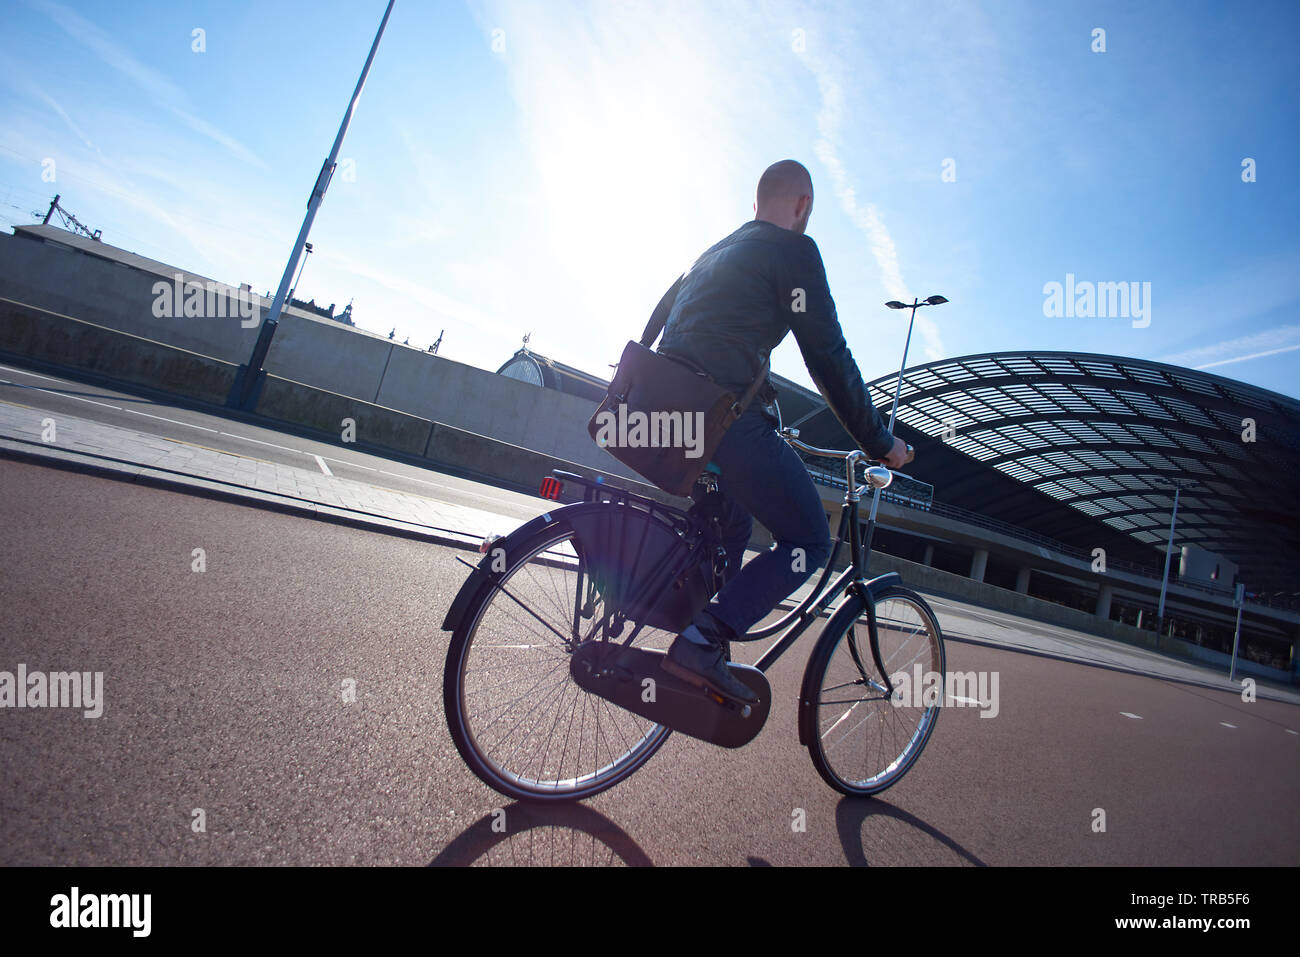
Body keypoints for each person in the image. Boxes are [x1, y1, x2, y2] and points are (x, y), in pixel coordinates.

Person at [655, 159, 909, 703]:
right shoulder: (795, 250)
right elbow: (827, 356)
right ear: (803, 207)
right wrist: (879, 441)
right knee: (810, 540)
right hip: (720, 415)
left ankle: (698, 641)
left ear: (755, 203)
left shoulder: (716, 250)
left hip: (659, 410)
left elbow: (660, 322)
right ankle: (702, 641)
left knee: (733, 530)